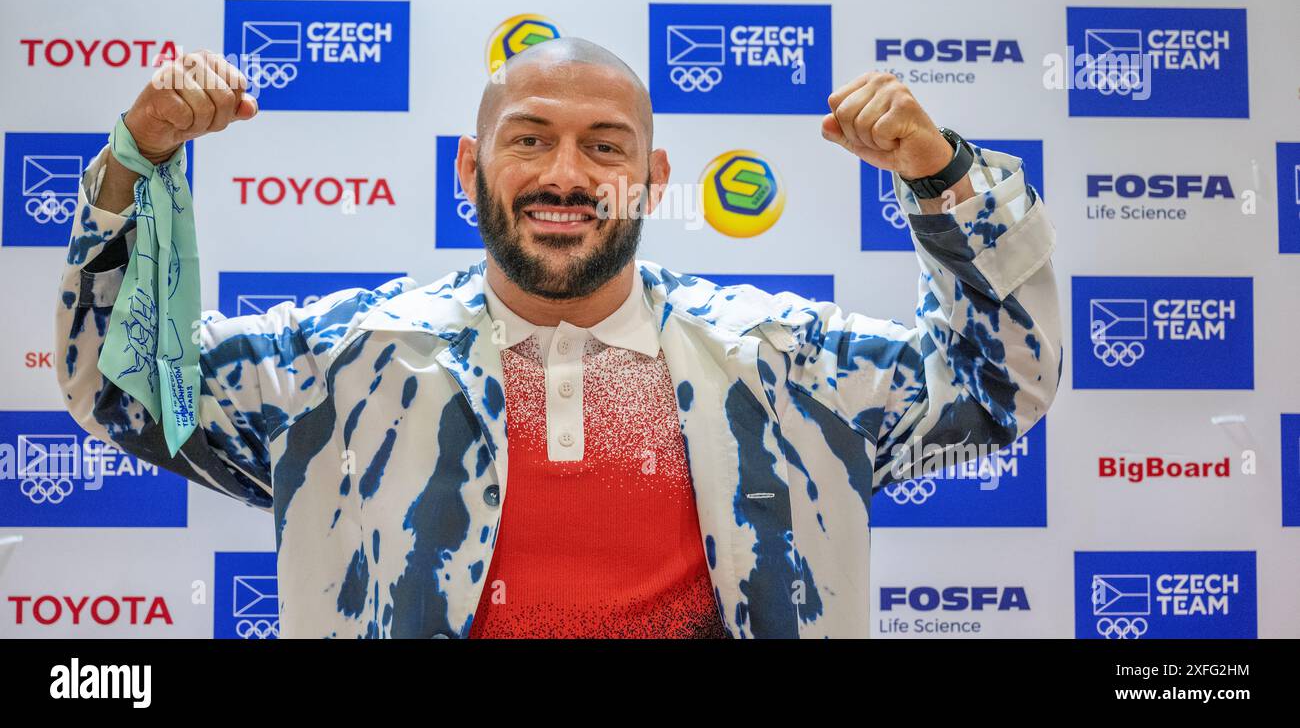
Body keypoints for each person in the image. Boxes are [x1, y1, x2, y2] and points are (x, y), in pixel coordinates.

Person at [54, 37, 1061, 638]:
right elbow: (122, 383)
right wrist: (133, 163)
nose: (566, 174)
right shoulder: (343, 362)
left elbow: (1001, 380)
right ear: (468, 169)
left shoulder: (782, 362)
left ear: (653, 179)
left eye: (604, 146)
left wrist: (942, 176)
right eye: (528, 138)